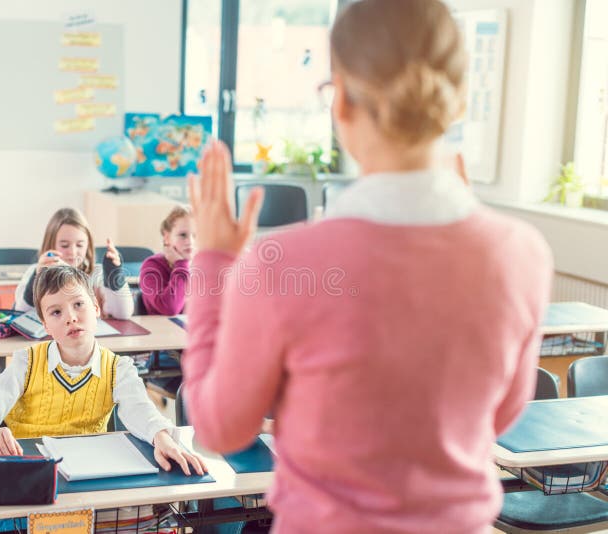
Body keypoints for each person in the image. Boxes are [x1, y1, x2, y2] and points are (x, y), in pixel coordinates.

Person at [182, 1, 553, 532]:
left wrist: (214, 263)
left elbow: (219, 429)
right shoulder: (522, 252)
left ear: (341, 101)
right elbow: (499, 413)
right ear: (457, 97)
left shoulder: (280, 265)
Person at [0, 264, 205, 476]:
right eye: (56, 312)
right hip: (30, 475)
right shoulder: (26, 363)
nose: (71, 317)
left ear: (96, 308)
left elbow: (140, 409)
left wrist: (161, 436)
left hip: (87, 476)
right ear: (44, 324)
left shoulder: (118, 368)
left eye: (78, 304)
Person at [14, 207, 133, 319]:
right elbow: (20, 315)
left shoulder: (98, 274)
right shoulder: (34, 272)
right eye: (64, 245)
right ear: (51, 245)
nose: (72, 252)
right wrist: (37, 278)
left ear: (88, 246)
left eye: (80, 245)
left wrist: (114, 275)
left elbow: (123, 314)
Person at [139, 205, 196, 316]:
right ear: (167, 237)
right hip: (162, 331)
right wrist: (181, 265)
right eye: (183, 235)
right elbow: (170, 308)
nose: (190, 242)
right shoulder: (152, 266)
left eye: (195, 235)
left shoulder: (200, 265)